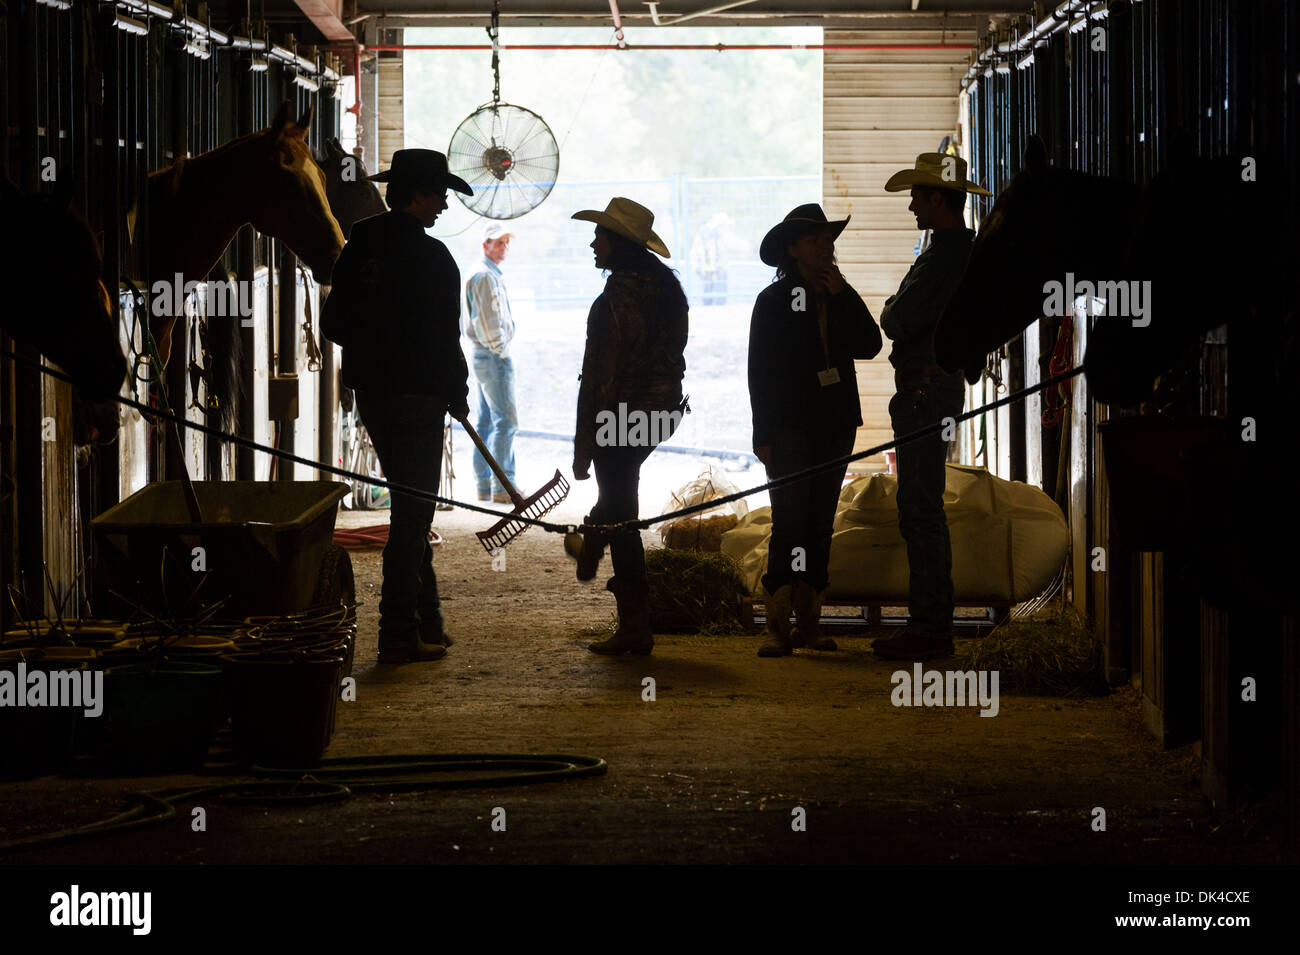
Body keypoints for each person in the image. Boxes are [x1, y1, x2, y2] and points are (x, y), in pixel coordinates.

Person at [320, 149, 473, 664]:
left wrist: (375, 344)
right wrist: (459, 393)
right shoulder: (434, 260)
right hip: (419, 400)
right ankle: (397, 634)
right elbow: (445, 340)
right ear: (418, 194)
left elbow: (334, 325)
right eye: (440, 195)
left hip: (374, 398)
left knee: (412, 508)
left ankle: (427, 619)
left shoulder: (359, 243)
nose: (444, 206)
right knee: (412, 518)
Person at [749, 204, 882, 657]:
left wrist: (843, 296)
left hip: (834, 424)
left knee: (820, 522)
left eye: (828, 240)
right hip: (787, 429)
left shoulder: (839, 293)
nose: (825, 247)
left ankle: (809, 621)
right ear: (794, 250)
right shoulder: (772, 302)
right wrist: (762, 432)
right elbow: (759, 371)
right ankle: (777, 623)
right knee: (790, 520)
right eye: (815, 240)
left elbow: (870, 344)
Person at [872, 152, 991, 661]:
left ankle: (930, 625)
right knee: (923, 506)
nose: (912, 206)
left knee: (919, 507)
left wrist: (894, 310)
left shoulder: (943, 255)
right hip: (934, 387)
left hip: (924, 388)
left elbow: (897, 320)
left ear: (937, 199)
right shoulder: (958, 249)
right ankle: (930, 622)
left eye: (918, 196)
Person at [567, 197, 689, 656]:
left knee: (622, 515)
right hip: (662, 412)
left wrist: (585, 445)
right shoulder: (667, 290)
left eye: (601, 237)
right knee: (619, 501)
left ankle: (635, 624)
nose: (593, 243)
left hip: (621, 415)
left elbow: (601, 375)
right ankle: (593, 540)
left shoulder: (616, 299)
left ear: (619, 245)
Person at [464, 223, 518, 503]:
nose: (504, 248)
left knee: (487, 422)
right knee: (506, 421)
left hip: (485, 355)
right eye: (498, 243)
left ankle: (485, 485)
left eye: (506, 243)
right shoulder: (485, 276)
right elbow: (486, 323)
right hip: (493, 356)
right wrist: (502, 351)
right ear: (485, 245)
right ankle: (503, 486)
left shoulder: (486, 274)